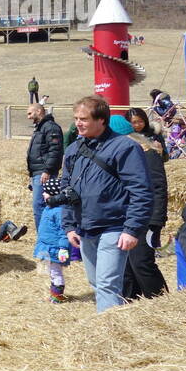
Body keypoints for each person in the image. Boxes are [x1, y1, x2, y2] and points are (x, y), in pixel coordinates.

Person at [57, 95, 153, 312]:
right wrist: (70, 225)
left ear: (101, 120)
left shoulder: (124, 148)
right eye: (76, 118)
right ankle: (112, 323)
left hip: (115, 227)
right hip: (85, 228)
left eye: (83, 119)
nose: (77, 123)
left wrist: (132, 229)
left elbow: (141, 192)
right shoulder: (73, 150)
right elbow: (67, 190)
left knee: (108, 284)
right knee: (96, 283)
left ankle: (109, 337)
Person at [122, 134, 169, 300]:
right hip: (129, 218)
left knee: (142, 261)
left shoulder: (150, 157)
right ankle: (129, 299)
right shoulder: (128, 160)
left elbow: (158, 189)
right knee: (127, 265)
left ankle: (159, 298)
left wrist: (156, 219)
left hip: (148, 219)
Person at [25, 104, 64, 231]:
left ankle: (44, 235)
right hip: (37, 172)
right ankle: (43, 235)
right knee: (39, 206)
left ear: (39, 111)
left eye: (30, 113)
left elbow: (55, 151)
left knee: (39, 205)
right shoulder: (41, 128)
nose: (28, 117)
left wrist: (47, 170)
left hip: (43, 173)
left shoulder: (51, 128)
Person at [34, 178, 72, 302]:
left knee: (56, 272)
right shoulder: (49, 208)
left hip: (55, 248)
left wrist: (63, 248)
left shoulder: (59, 212)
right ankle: (54, 295)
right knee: (52, 271)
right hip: (48, 246)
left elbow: (64, 231)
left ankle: (58, 296)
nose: (43, 194)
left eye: (46, 192)